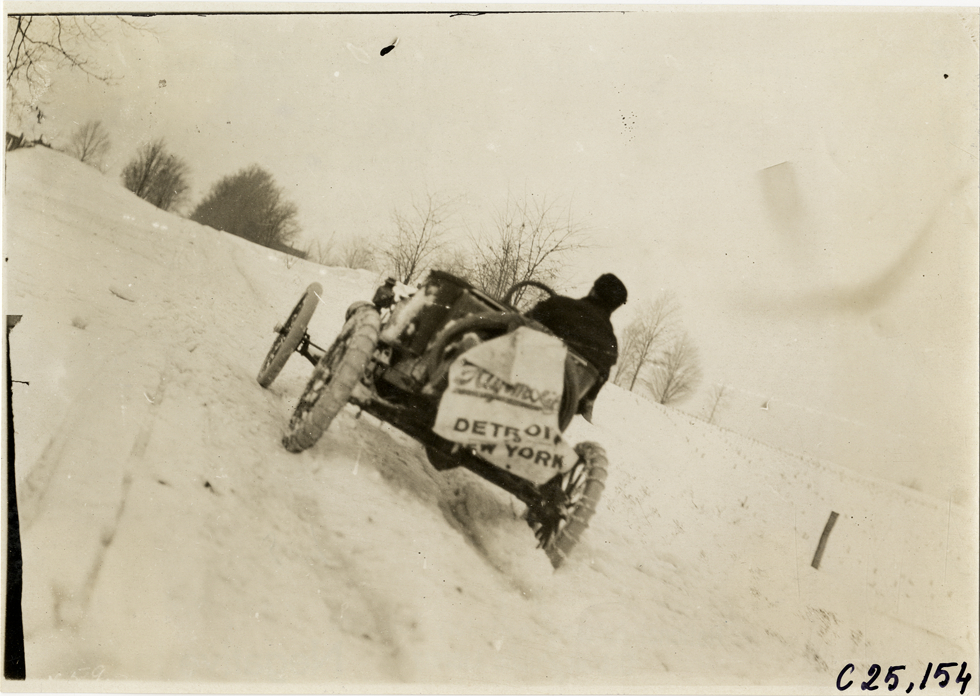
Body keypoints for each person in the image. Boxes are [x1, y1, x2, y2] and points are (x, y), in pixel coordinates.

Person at [526, 273, 628, 422]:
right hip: (549, 417)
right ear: (615, 307)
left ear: (593, 291)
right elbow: (583, 403)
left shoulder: (556, 305)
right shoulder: (611, 346)